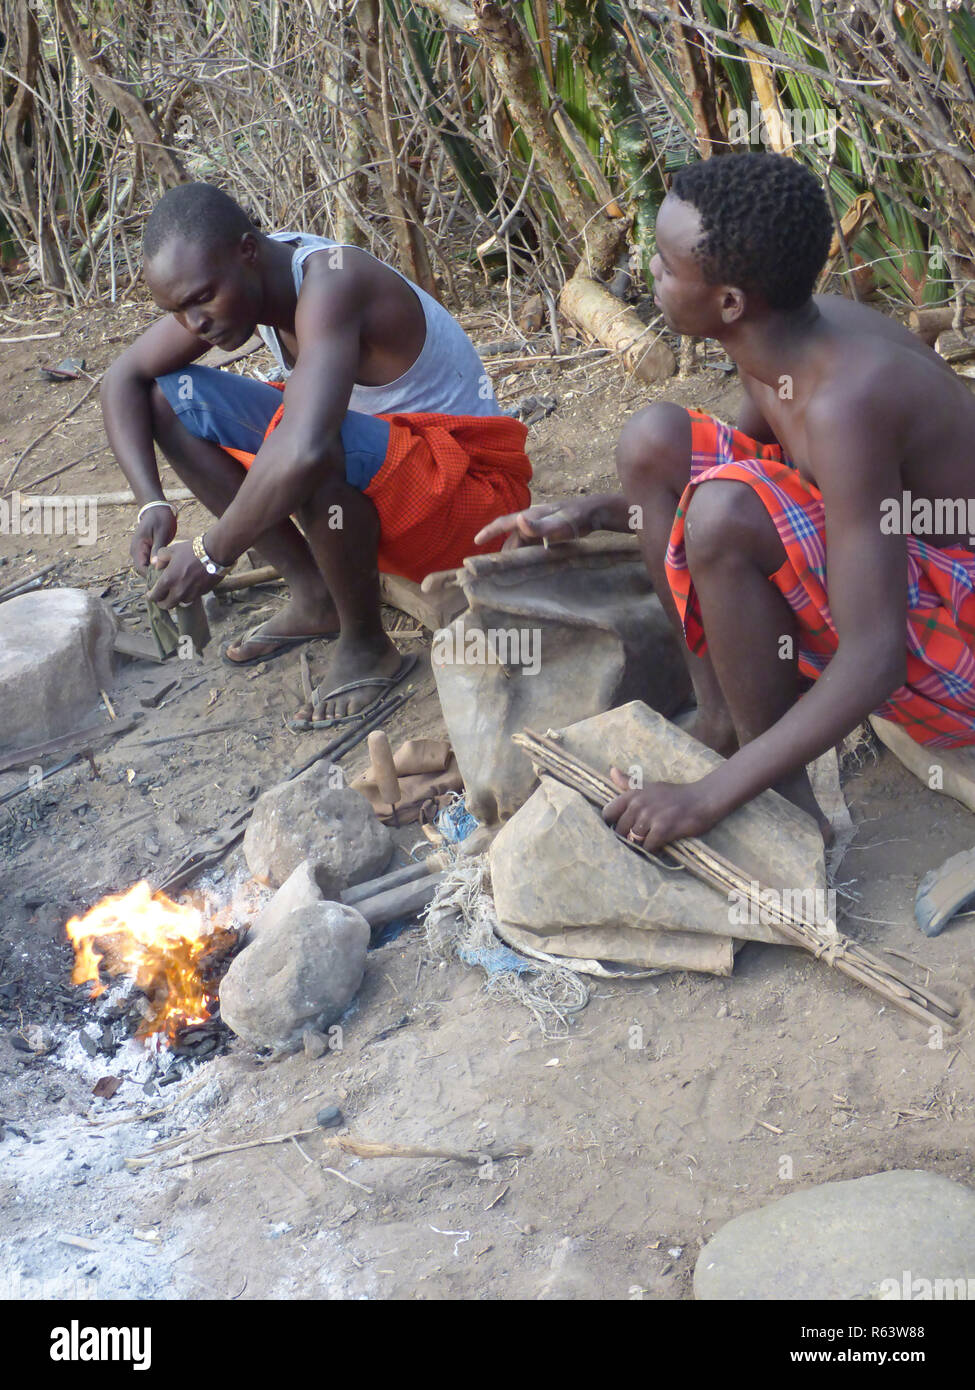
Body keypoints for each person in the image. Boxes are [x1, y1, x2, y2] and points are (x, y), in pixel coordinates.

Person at [476, 152, 975, 849]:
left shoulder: (845, 404)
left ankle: (779, 791)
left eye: (665, 264)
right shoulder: (783, 340)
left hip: (958, 637)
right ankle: (721, 718)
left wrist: (705, 799)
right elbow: (728, 479)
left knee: (723, 514)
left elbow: (874, 656)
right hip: (893, 560)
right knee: (654, 442)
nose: (649, 272)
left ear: (730, 301)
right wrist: (597, 512)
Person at [101, 182, 531, 724]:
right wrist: (151, 503)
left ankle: (366, 642)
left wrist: (212, 553)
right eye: (178, 311)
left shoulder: (333, 284)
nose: (196, 325)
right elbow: (124, 379)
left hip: (473, 502)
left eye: (202, 298)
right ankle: (316, 595)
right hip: (392, 474)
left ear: (248, 252)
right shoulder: (248, 275)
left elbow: (305, 448)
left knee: (308, 442)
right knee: (169, 399)